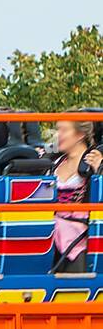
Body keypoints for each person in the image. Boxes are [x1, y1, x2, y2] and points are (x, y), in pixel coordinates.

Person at [52, 116, 102, 272]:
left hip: (79, 226)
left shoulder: (93, 162)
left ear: (80, 135)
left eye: (64, 130)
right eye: (57, 129)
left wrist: (100, 169)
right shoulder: (55, 163)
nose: (57, 135)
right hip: (51, 220)